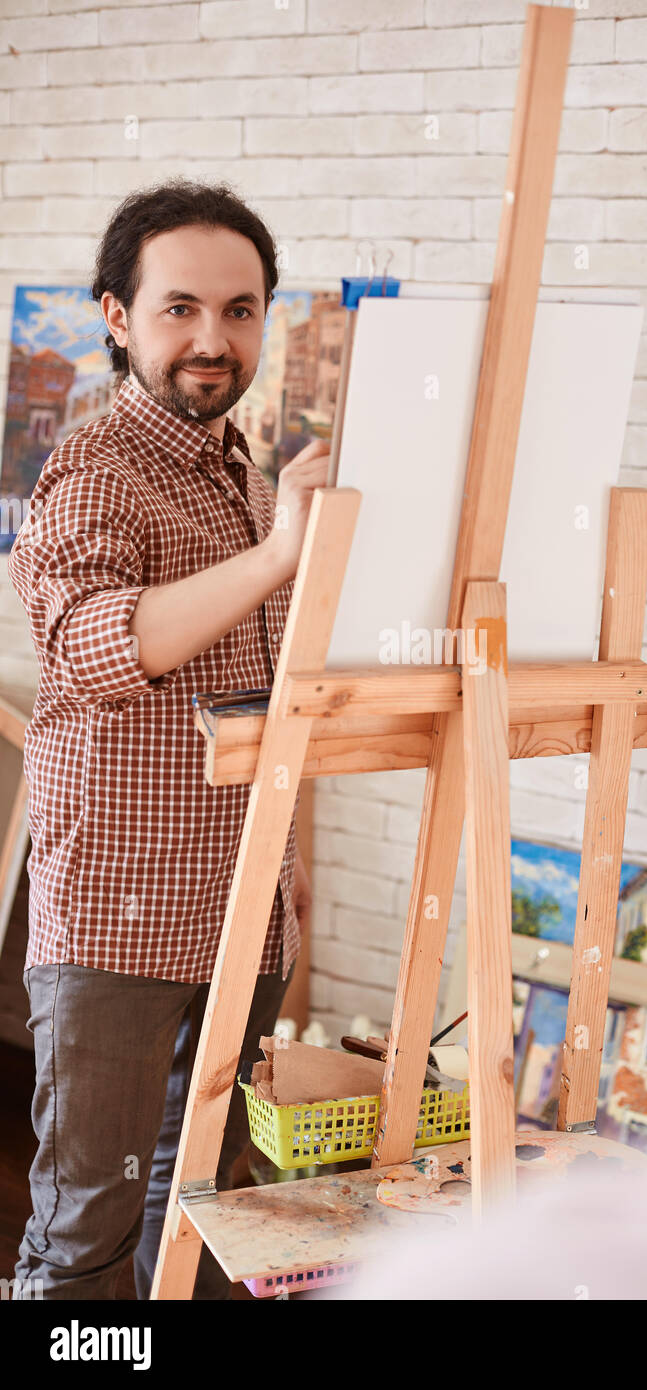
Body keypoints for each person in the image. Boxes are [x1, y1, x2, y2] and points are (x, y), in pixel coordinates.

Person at [8, 179, 328, 1299]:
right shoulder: (94, 474)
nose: (211, 338)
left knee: (197, 1203)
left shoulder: (248, 483)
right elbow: (98, 646)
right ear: (116, 315)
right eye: (180, 307)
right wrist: (281, 557)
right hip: (119, 922)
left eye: (239, 311)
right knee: (85, 1229)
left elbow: (281, 701)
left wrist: (296, 879)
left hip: (240, 911)